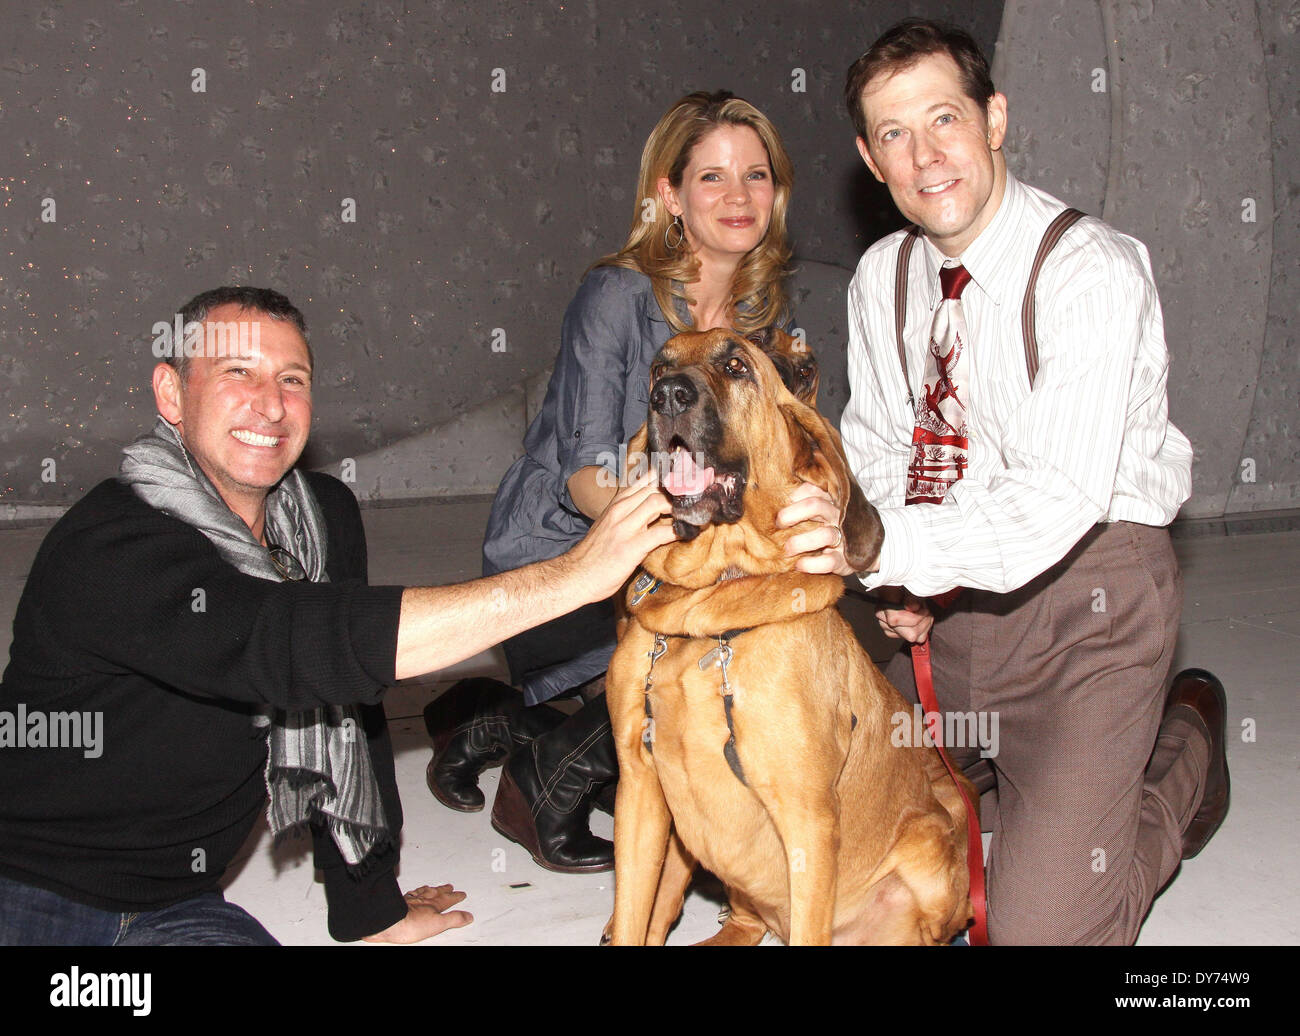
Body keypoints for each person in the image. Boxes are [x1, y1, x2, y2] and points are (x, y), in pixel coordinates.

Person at [0, 286, 674, 946]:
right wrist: (575, 576)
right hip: (31, 890)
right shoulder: (113, 546)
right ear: (172, 394)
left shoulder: (318, 518)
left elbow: (348, 708)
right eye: (238, 372)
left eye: (292, 379)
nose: (270, 405)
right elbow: (295, 645)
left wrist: (369, 907)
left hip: (177, 904)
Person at [778, 19, 1228, 944]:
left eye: (944, 118)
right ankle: (1015, 777)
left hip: (1086, 612)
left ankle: (1182, 754)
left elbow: (1057, 497)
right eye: (895, 134)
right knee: (843, 849)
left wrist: (895, 547)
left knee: (1043, 932)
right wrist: (895, 579)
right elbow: (879, 446)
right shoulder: (882, 277)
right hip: (950, 615)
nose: (926, 155)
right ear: (869, 157)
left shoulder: (1090, 269)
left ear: (994, 118)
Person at [426, 91, 796, 873]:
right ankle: (543, 779)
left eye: (756, 176)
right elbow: (591, 474)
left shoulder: (758, 318)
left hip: (673, 547)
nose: (738, 198)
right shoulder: (616, 294)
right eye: (711, 178)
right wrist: (689, 550)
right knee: (686, 695)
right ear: (668, 195)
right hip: (565, 554)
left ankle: (497, 723)